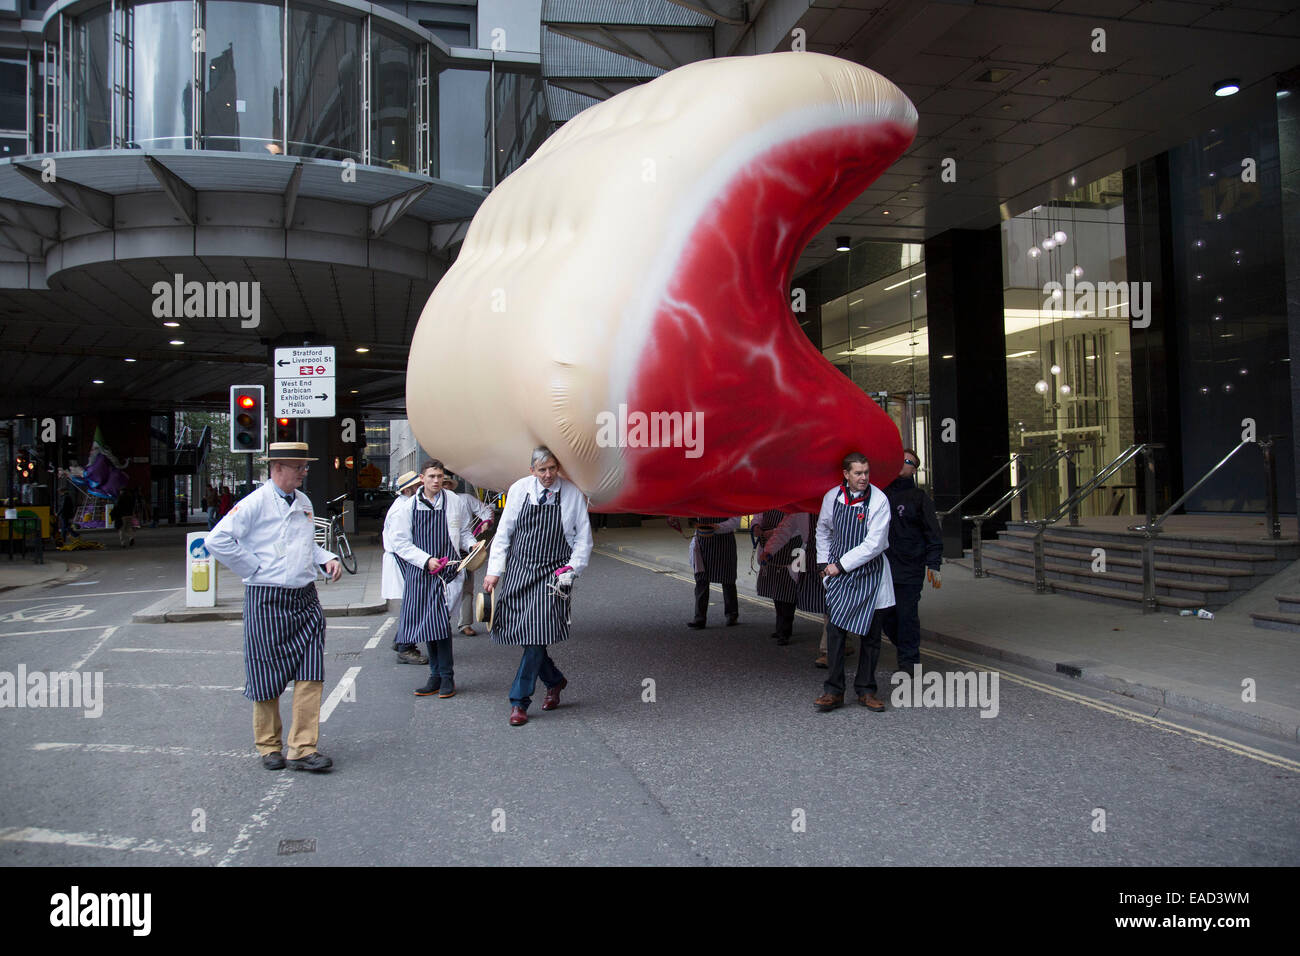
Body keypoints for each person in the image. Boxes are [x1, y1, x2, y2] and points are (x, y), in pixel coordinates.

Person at [205, 442, 342, 772]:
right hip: (266, 599)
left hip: (305, 597)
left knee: (311, 675)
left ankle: (303, 747)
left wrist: (327, 558)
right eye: (299, 467)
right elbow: (216, 540)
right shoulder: (254, 503)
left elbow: (306, 546)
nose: (304, 472)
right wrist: (252, 569)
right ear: (277, 468)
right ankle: (268, 745)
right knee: (266, 674)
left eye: (305, 467)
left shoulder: (304, 502)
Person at [484, 447, 593, 727]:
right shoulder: (519, 490)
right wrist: (494, 571)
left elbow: (583, 538)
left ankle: (519, 702)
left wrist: (572, 569)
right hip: (520, 570)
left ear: (558, 469)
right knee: (525, 632)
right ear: (532, 470)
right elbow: (504, 532)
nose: (547, 475)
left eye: (552, 469)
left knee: (536, 636)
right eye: (542, 470)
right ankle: (554, 681)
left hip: (553, 575)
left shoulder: (571, 494)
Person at [389, 460, 479, 698]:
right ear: (422, 478)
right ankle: (437, 677)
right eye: (431, 477)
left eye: (440, 476)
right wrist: (426, 559)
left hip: (447, 573)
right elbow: (400, 543)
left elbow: (463, 532)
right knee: (430, 625)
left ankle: (445, 677)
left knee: (440, 624)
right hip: (422, 574)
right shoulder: (408, 508)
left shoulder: (454, 501)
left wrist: (471, 545)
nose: (436, 481)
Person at [813, 452, 895, 713]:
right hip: (838, 574)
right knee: (836, 634)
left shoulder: (879, 500)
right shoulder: (832, 498)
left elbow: (874, 544)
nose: (863, 478)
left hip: (870, 575)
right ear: (846, 474)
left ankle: (866, 690)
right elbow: (823, 530)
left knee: (871, 637)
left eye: (866, 473)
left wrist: (839, 565)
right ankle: (833, 691)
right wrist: (823, 563)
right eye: (858, 473)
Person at [880, 448, 943, 673]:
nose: (901, 463)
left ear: (914, 470)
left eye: (907, 461)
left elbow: (933, 533)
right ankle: (905, 647)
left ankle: (909, 662)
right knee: (886, 617)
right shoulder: (879, 493)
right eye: (898, 458)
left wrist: (934, 564)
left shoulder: (919, 498)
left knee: (906, 616)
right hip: (883, 568)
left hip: (910, 568)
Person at [755, 509, 825, 645]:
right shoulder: (798, 510)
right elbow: (784, 530)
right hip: (810, 554)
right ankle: (783, 629)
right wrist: (768, 551)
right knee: (781, 591)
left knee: (829, 601)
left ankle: (836, 643)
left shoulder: (828, 504)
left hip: (822, 554)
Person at [382, 471, 428, 665]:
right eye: (418, 486)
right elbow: (401, 541)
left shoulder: (406, 504)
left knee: (413, 603)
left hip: (403, 558)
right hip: (403, 559)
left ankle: (401, 639)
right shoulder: (403, 508)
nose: (422, 489)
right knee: (414, 604)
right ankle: (405, 647)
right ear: (409, 489)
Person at [445, 472, 496, 636]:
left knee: (466, 588)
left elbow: (484, 512)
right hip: (442, 553)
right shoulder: (434, 504)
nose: (443, 486)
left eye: (446, 483)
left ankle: (465, 623)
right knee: (441, 589)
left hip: (465, 551)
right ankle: (440, 622)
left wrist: (486, 522)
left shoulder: (464, 499)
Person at [685, 515, 742, 628]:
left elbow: (735, 521)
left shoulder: (730, 499)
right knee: (701, 580)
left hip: (724, 543)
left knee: (728, 579)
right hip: (703, 542)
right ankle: (699, 618)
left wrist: (717, 526)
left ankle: (732, 614)